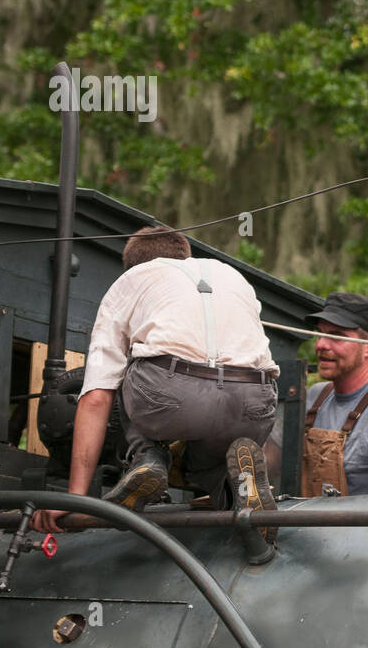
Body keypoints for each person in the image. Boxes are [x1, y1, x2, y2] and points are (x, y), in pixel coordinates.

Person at [31, 226, 280, 538]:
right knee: (209, 465)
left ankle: (146, 457)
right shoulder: (230, 274)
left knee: (119, 370)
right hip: (253, 403)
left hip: (173, 397)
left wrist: (76, 498)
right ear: (184, 255)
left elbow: (97, 396)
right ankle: (236, 488)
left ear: (133, 266)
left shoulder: (131, 281)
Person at [301, 293, 368, 496]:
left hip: (366, 527)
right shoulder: (315, 397)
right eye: (320, 334)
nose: (320, 344)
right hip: (306, 525)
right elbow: (271, 461)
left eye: (335, 336)